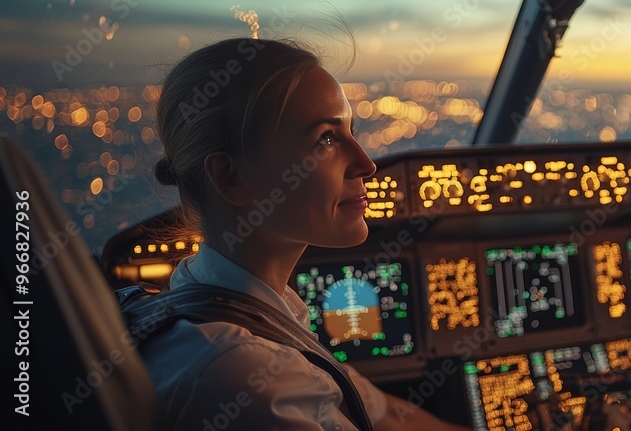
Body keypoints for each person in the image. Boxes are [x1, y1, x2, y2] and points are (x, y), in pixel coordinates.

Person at [144, 37, 467, 430]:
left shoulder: (245, 308)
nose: (366, 164)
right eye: (326, 139)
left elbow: (382, 411)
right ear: (231, 177)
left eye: (351, 132)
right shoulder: (245, 372)